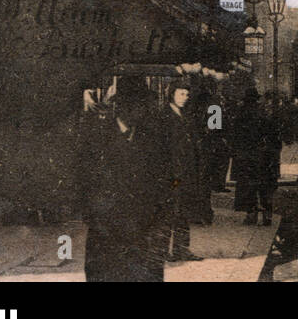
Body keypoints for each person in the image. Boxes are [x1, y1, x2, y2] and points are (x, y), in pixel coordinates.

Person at [80, 80, 171, 281]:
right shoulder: (98, 137)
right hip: (107, 234)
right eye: (137, 104)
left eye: (143, 104)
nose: (142, 110)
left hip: (144, 234)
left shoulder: (153, 139)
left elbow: (164, 185)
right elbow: (85, 183)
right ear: (121, 105)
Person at [160, 78, 205, 262]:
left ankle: (181, 249)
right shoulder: (164, 117)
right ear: (171, 94)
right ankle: (162, 250)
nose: (184, 97)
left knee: (184, 211)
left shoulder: (186, 115)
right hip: (172, 173)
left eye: (187, 94)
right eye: (180, 94)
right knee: (169, 212)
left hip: (186, 172)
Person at [231, 87, 280, 226]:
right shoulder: (264, 113)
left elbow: (235, 136)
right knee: (265, 186)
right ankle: (267, 216)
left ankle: (251, 215)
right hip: (263, 155)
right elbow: (273, 135)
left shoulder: (240, 114)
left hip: (246, 155)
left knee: (249, 187)